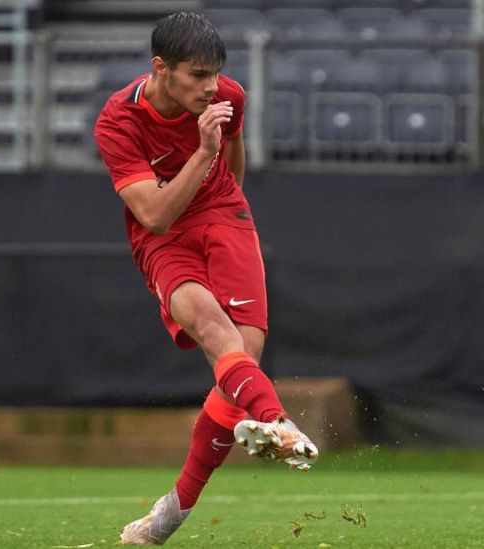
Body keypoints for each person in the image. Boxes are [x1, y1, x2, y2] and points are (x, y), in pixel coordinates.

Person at [93, 11, 319, 546]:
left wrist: (228, 214)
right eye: (197, 75)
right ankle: (279, 421)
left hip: (223, 215)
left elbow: (232, 157)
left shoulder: (228, 98)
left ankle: (170, 514)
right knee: (216, 333)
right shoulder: (116, 121)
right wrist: (202, 155)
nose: (210, 86)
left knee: (239, 361)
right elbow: (154, 216)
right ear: (161, 69)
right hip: (164, 237)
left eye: (215, 73)